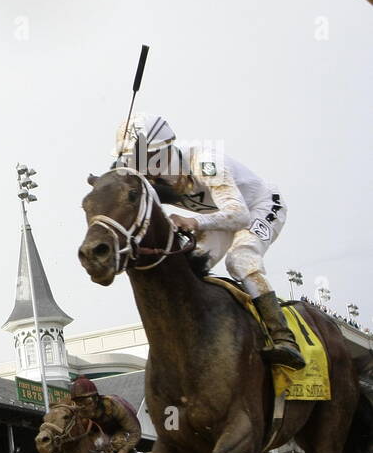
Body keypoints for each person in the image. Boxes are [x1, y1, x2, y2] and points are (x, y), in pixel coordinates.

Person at [113, 112, 303, 369]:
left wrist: (196, 222)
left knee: (241, 259)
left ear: (164, 151)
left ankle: (283, 338)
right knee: (189, 268)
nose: (142, 169)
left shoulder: (205, 162)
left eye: (144, 160)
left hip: (259, 206)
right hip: (219, 216)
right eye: (134, 161)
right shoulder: (153, 175)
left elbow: (240, 215)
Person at [69, 377, 147, 453]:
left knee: (119, 443)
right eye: (79, 403)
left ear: (96, 399)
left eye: (86, 402)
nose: (83, 407)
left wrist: (123, 451)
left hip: (122, 430)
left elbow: (135, 432)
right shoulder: (79, 412)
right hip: (99, 433)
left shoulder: (114, 406)